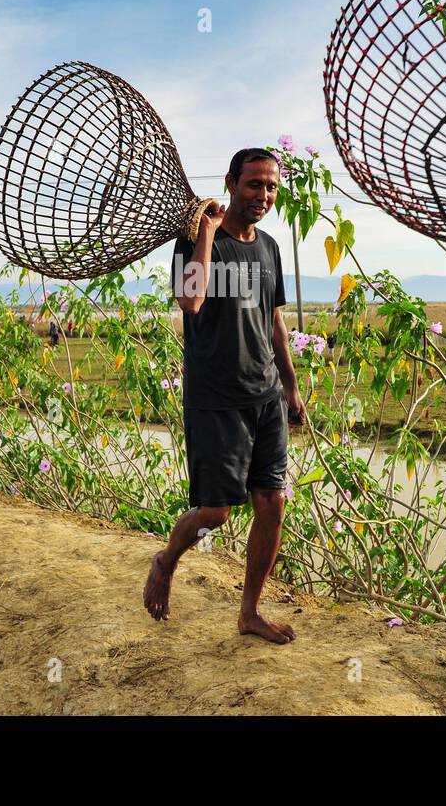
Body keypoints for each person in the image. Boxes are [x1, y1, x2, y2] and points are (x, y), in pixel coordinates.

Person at [144, 147, 305, 644]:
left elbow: (275, 321)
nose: (264, 195)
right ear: (231, 183)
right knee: (215, 512)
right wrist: (207, 232)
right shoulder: (191, 241)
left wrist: (292, 386)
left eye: (272, 187)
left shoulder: (270, 247)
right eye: (254, 184)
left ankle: (249, 613)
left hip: (265, 396)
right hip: (215, 396)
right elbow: (190, 301)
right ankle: (166, 561)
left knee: (273, 501)